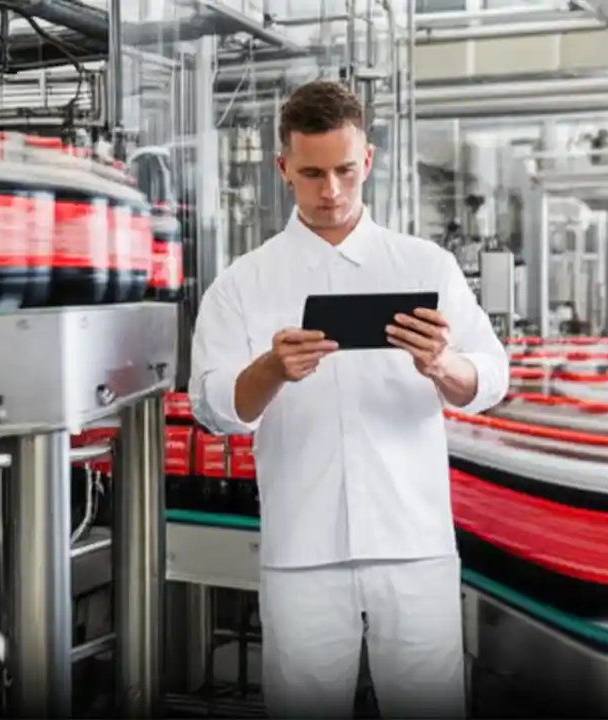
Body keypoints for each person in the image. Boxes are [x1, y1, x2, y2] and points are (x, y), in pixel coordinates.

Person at [188, 79, 509, 718]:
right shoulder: (243, 284)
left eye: (343, 170)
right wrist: (272, 370)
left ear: (369, 161)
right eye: (311, 173)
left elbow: (491, 378)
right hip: (302, 551)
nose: (330, 191)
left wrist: (443, 366)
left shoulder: (426, 266)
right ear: (283, 168)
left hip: (413, 545)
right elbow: (211, 407)